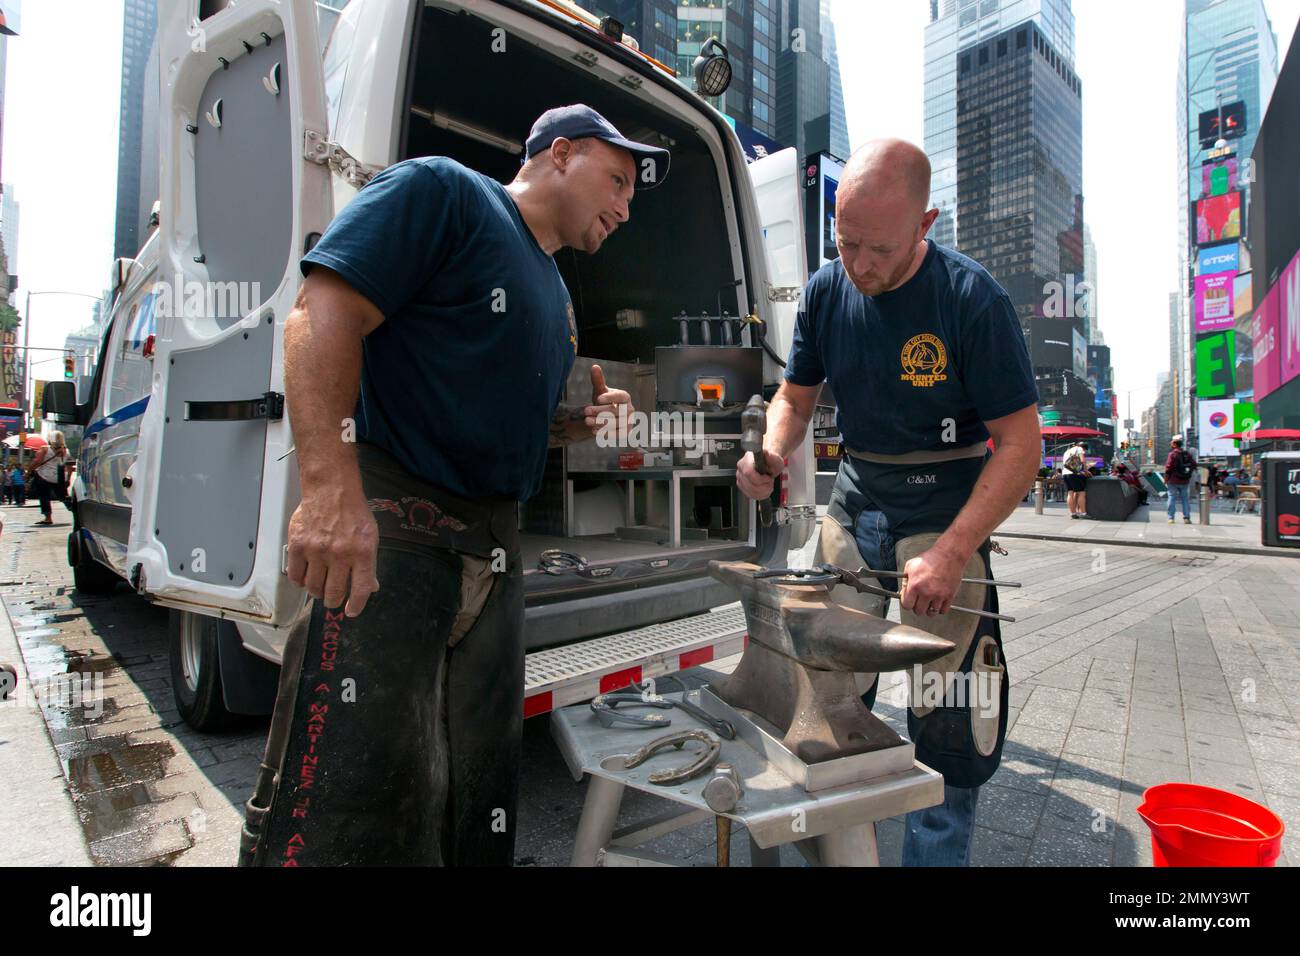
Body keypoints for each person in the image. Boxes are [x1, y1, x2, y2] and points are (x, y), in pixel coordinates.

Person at [239, 105, 669, 867]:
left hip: (492, 556)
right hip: (396, 536)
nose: (626, 207)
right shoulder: (446, 194)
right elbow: (318, 314)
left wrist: (583, 424)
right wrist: (329, 489)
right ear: (559, 154)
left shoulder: (556, 294)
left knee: (471, 795)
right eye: (618, 180)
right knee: (347, 797)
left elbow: (511, 423)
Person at [737, 138, 1040, 867]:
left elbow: (1023, 445)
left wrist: (953, 549)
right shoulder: (825, 291)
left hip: (946, 507)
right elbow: (795, 397)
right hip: (856, 501)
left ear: (925, 223)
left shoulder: (972, 298)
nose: (860, 265)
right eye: (845, 244)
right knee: (824, 704)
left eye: (878, 249)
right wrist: (775, 451)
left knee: (949, 716)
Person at [26, 433, 69, 526]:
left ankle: (48, 518)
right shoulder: (66, 451)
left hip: (44, 477)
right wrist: (68, 479)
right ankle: (76, 511)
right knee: (63, 497)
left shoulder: (45, 448)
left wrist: (28, 471)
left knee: (44, 497)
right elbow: (69, 466)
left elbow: (37, 461)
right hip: (60, 477)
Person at [1164, 437, 1196, 524]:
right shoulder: (1187, 454)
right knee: (1185, 499)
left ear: (1174, 444)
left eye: (1171, 443)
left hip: (1173, 480)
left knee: (1171, 497)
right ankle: (1186, 518)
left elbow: (1168, 467)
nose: (1170, 444)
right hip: (1184, 480)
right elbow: (1194, 464)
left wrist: (1166, 478)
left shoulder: (1172, 454)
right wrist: (1188, 474)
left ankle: (1171, 518)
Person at [1062, 440, 1089, 518]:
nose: (1084, 452)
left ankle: (1073, 513)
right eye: (1085, 450)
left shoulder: (1067, 451)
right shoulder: (1079, 449)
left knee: (1070, 493)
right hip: (1073, 474)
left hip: (1065, 474)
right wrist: (1086, 471)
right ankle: (1084, 513)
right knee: (1081, 492)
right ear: (1084, 448)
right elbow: (1082, 460)